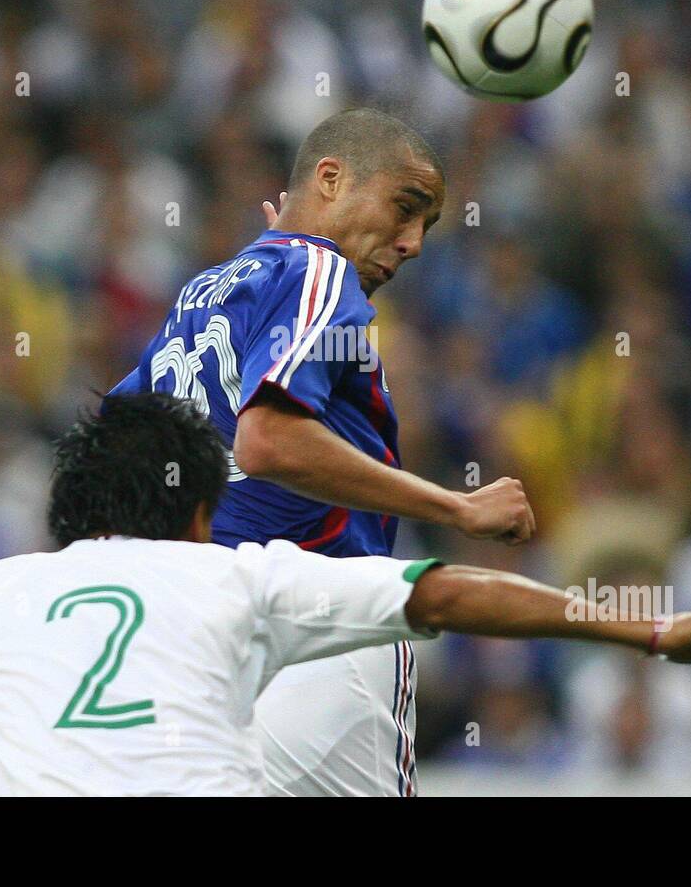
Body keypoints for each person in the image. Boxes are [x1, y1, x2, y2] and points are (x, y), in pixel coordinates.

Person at [0, 394, 691, 796]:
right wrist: (650, 627)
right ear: (201, 511)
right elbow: (448, 594)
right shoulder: (237, 570)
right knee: (357, 669)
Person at [106, 107, 535, 795]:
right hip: (321, 626)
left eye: (426, 223)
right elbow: (270, 440)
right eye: (406, 207)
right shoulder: (317, 273)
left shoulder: (202, 295)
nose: (414, 241)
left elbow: (111, 446)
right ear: (330, 179)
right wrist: (456, 506)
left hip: (201, 647)